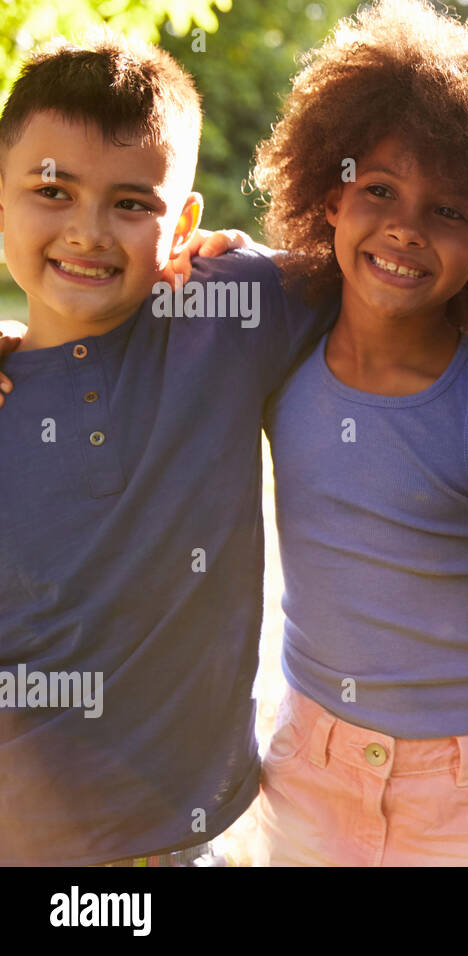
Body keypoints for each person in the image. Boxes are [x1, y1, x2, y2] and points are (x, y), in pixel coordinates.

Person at [244, 0, 468, 866]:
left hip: (465, 790)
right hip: (310, 767)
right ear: (329, 195)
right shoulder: (281, 349)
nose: (405, 227)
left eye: (448, 212)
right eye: (380, 191)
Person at [0, 34, 332, 865]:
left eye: (132, 204)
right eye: (51, 190)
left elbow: (397, 279)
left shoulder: (227, 316)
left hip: (182, 839)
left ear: (182, 220)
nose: (88, 233)